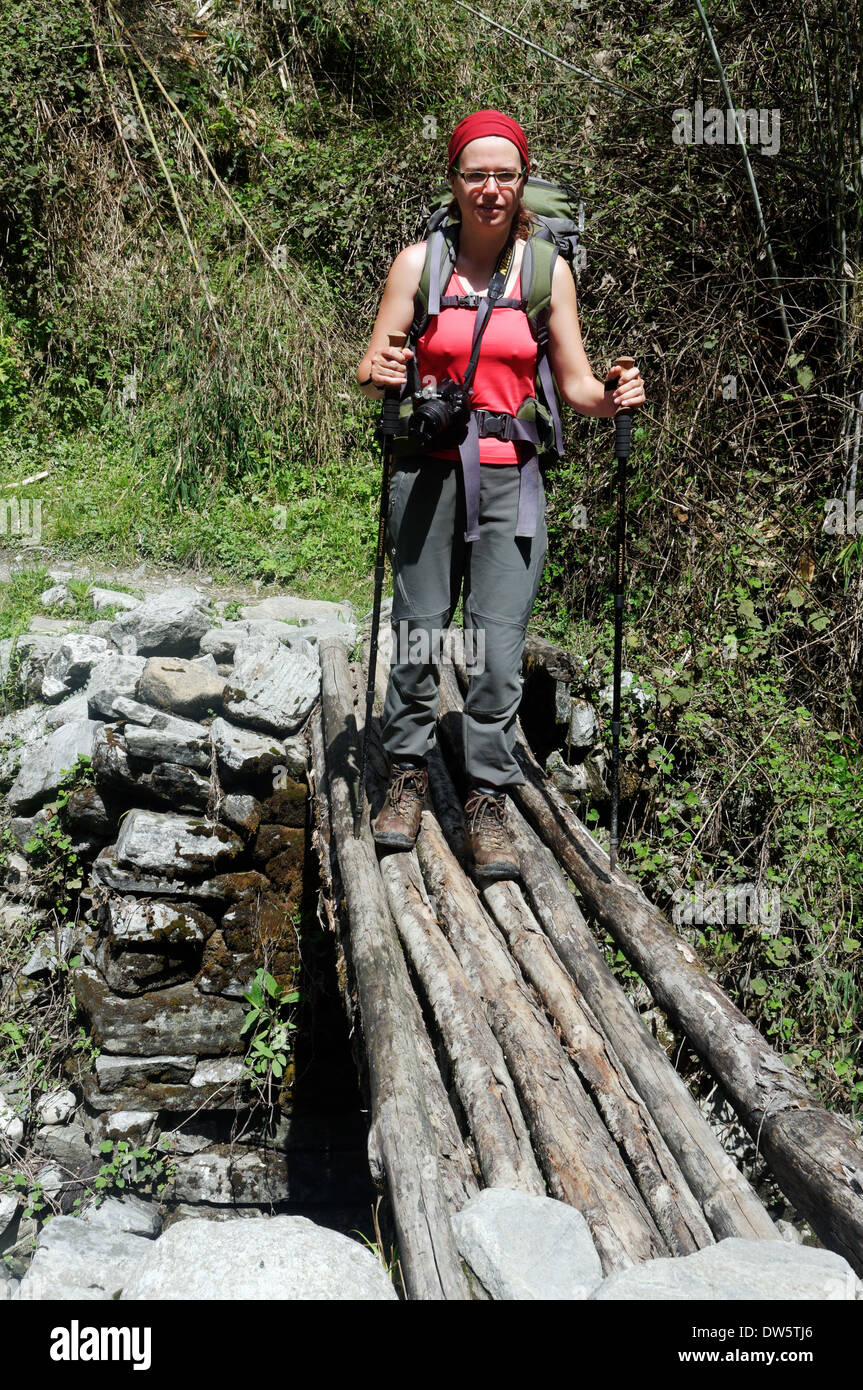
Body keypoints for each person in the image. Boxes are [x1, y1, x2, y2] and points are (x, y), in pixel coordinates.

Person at [356, 109, 645, 884]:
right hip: (425, 473)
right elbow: (373, 361)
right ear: (453, 181)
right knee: (419, 628)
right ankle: (407, 773)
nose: (489, 188)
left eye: (504, 174)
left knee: (498, 644)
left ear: (522, 182)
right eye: (474, 173)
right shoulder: (417, 265)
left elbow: (577, 382)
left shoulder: (546, 271)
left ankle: (486, 793)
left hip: (509, 479)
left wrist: (612, 399)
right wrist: (382, 374)